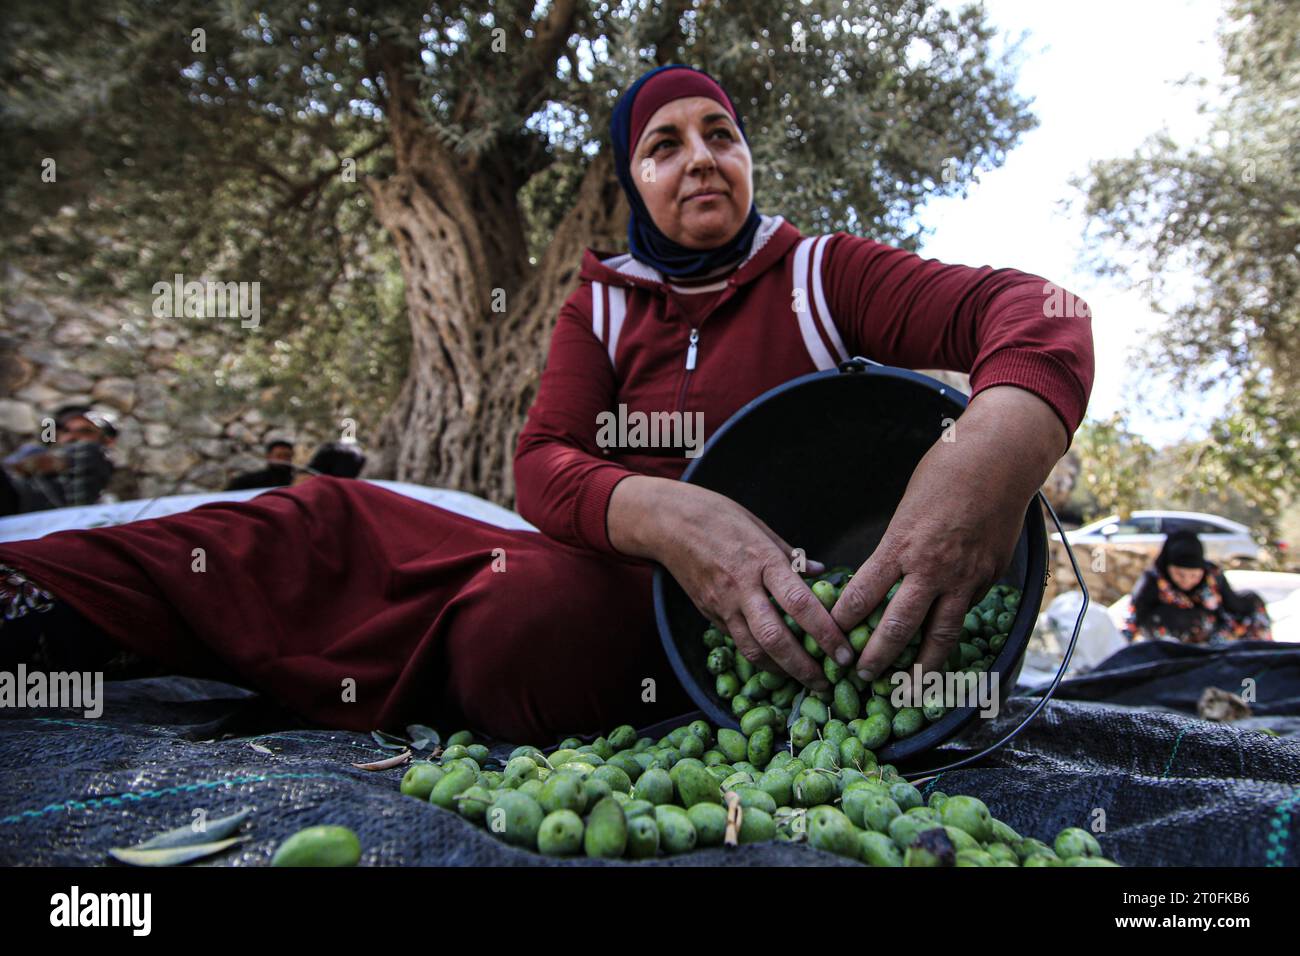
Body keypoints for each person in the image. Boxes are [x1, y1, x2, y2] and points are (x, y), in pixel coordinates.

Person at [0, 65, 1094, 744]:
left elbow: (1041, 311)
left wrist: (985, 455)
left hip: (783, 629)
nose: (700, 159)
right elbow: (544, 462)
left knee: (530, 638)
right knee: (318, 518)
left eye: (722, 134)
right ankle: (46, 608)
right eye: (664, 145)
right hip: (626, 571)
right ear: (630, 179)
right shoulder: (604, 305)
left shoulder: (823, 275)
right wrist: (666, 518)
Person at [1121, 530, 1271, 644]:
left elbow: (1231, 604)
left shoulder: (1212, 576)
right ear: (1168, 568)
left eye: (1194, 576)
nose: (1187, 581)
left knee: (1252, 602)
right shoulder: (1153, 580)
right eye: (1180, 575)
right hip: (1171, 641)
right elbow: (1133, 617)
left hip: (1212, 638)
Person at [0, 405, 118, 516]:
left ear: (107, 440)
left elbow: (29, 465)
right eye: (66, 431)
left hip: (19, 504)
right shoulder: (36, 450)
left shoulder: (93, 452)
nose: (72, 436)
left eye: (84, 431)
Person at [225, 440, 296, 491]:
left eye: (287, 456)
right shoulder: (247, 481)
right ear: (268, 456)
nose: (283, 459)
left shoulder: (296, 480)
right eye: (279, 456)